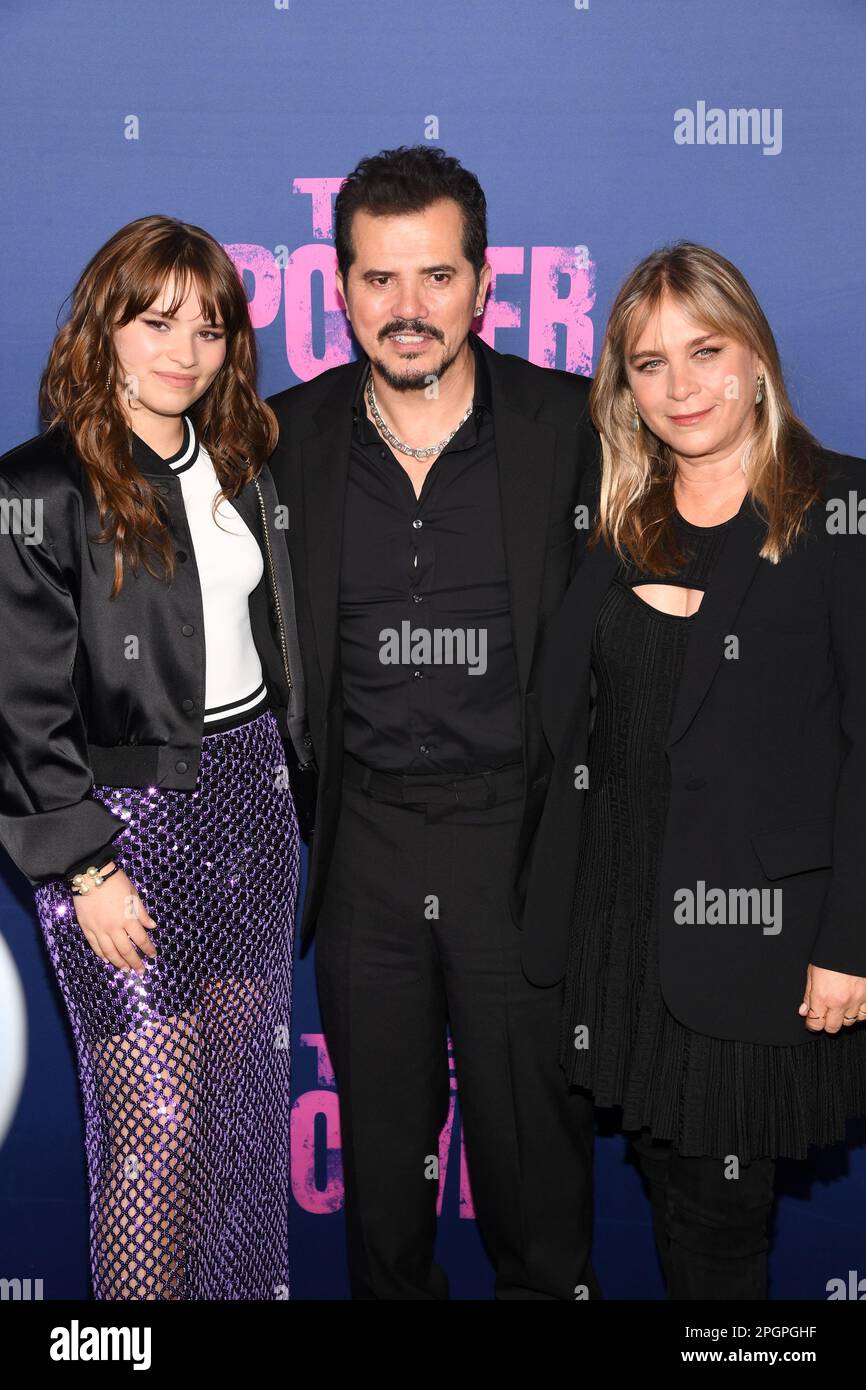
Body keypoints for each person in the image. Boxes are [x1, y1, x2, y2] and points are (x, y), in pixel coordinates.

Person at [267, 145, 600, 1299]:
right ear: (342, 287)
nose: (407, 310)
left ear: (483, 284)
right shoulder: (280, 441)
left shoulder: (572, 427)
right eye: (377, 280)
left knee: (536, 1182)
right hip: (361, 848)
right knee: (384, 1200)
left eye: (436, 277)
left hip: (519, 849)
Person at [517, 241, 866, 1300]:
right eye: (647, 363)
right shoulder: (619, 518)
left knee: (719, 1229)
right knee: (673, 1194)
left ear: (754, 356)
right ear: (620, 386)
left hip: (759, 942)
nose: (679, 387)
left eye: (703, 351)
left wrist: (848, 943)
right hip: (617, 932)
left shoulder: (839, 511)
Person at [0, 214, 310, 1300]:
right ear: (105, 325)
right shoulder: (37, 486)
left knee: (233, 1126)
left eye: (211, 328)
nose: (184, 350)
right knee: (154, 1133)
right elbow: (19, 704)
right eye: (157, 320)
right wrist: (84, 866)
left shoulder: (244, 462)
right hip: (122, 829)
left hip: (251, 809)